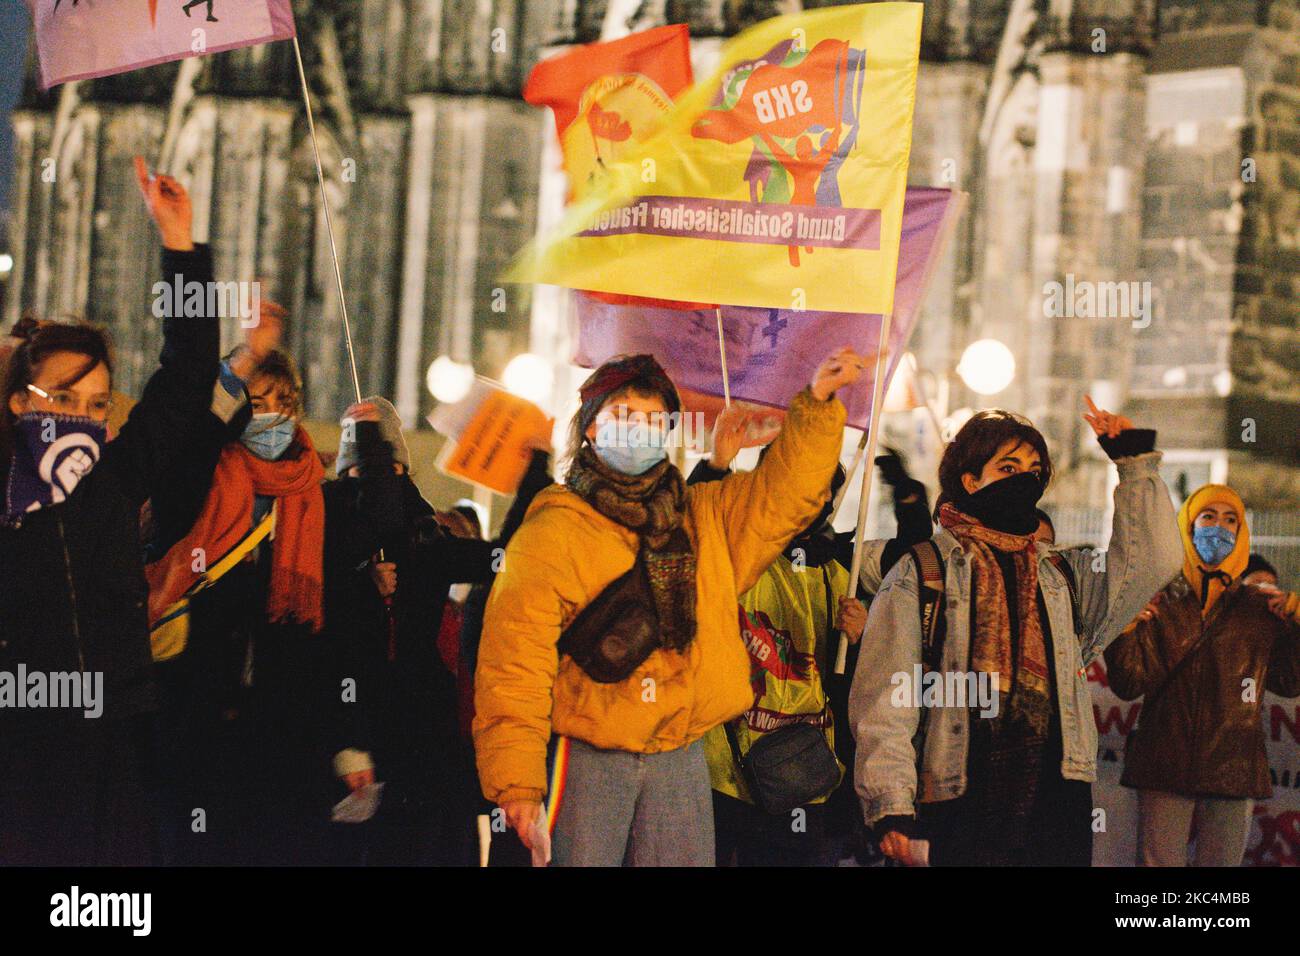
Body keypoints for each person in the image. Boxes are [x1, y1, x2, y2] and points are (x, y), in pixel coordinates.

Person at [474, 348, 865, 866]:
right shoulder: (553, 531)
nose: (640, 429)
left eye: (654, 418)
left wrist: (815, 403)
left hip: (681, 756)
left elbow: (785, 498)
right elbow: (513, 666)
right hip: (589, 758)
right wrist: (518, 786)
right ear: (591, 428)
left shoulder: (704, 516)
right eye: (625, 416)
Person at [0, 158, 237, 865]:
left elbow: (189, 376)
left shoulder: (112, 479)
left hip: (115, 725)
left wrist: (181, 248)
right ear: (18, 402)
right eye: (63, 401)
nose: (82, 420)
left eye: (98, 404)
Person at [850, 399, 1182, 866]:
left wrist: (1133, 465)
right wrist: (891, 809)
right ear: (971, 480)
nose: (1024, 479)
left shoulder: (1061, 574)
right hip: (955, 796)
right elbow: (887, 699)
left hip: (1055, 801)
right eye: (1008, 466)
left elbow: (1153, 562)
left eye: (1034, 470)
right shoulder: (924, 570)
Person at [324, 397, 551, 866]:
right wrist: (348, 741)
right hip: (358, 727)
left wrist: (534, 473)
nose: (374, 486)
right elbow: (330, 644)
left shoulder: (425, 538)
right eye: (361, 473)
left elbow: (499, 556)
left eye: (386, 469)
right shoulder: (325, 529)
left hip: (423, 737)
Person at [688, 430, 930, 866]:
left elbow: (913, 564)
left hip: (804, 777)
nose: (803, 498)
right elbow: (686, 532)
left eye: (817, 488)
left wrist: (908, 498)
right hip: (722, 771)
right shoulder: (733, 549)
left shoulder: (841, 566)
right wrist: (717, 464)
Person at [145, 346, 329, 865]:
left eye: (284, 400)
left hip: (270, 702)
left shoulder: (309, 488)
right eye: (259, 398)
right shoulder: (207, 470)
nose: (273, 412)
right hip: (193, 688)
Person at [1104, 485, 1300, 866]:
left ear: (1242, 532)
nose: (1219, 528)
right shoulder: (1159, 600)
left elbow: (1288, 682)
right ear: (1188, 526)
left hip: (1234, 763)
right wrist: (1124, 628)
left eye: (1231, 520)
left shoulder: (1258, 607)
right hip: (1165, 758)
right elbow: (1127, 685)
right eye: (1208, 517)